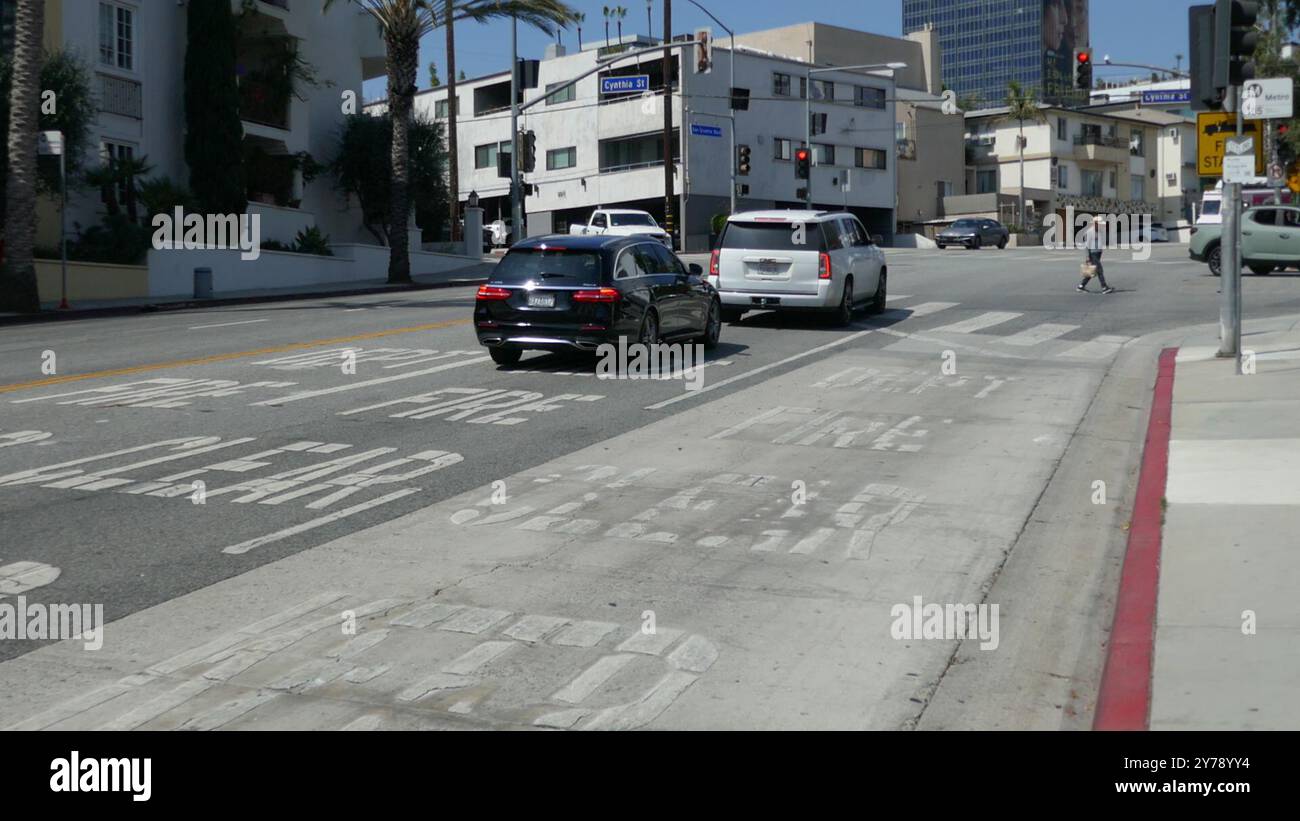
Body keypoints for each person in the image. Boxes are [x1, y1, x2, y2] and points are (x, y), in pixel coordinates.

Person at [1078, 215, 1115, 294]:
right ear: (1095, 223)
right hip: (1093, 253)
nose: (1101, 225)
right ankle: (1104, 287)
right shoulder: (1090, 232)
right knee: (1099, 270)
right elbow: (1086, 245)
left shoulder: (1100, 231)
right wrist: (1087, 257)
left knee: (1093, 270)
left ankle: (1081, 286)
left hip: (1098, 253)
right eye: (1100, 224)